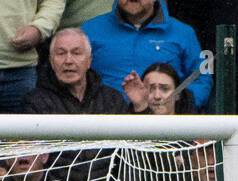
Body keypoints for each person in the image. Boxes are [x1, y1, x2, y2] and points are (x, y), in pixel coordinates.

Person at [83, 0, 212, 110]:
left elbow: (201, 78)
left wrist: (180, 107)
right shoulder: (90, 30)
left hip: (164, 126)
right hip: (105, 123)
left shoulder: (183, 33)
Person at [24, 27, 129, 114]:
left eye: (76, 53)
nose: (68, 61)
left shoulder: (111, 99)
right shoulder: (35, 102)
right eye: (61, 53)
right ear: (51, 61)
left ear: (89, 61)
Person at [122, 61, 196, 114]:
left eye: (165, 89)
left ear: (178, 94)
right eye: (150, 89)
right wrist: (141, 107)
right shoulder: (125, 126)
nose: (157, 96)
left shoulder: (196, 129)